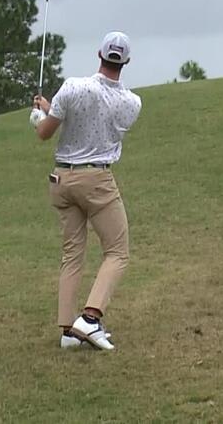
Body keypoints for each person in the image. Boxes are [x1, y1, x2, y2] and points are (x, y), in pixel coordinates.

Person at [30, 31, 142, 350]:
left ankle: (68, 332)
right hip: (96, 180)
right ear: (126, 61)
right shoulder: (131, 103)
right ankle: (90, 319)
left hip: (62, 180)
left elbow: (44, 132)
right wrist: (53, 110)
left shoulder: (72, 87)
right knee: (117, 252)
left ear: (99, 54)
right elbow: (97, 118)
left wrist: (40, 115)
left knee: (72, 254)